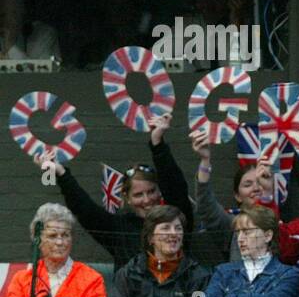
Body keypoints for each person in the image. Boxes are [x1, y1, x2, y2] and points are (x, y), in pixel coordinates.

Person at [39, 113, 192, 270]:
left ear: (160, 191)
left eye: (151, 191)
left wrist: (157, 143)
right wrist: (60, 172)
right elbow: (85, 210)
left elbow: (176, 188)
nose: (147, 200)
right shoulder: (119, 229)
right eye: (138, 194)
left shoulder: (175, 220)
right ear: (127, 198)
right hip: (131, 294)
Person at [106, 205, 212, 297]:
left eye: (178, 228)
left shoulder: (199, 277)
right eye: (165, 228)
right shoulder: (127, 274)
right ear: (150, 238)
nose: (173, 234)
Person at [202, 206, 299, 297]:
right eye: (238, 233)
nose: (240, 239)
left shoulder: (290, 274)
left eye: (247, 232)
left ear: (268, 236)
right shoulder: (222, 271)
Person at [190, 128, 277, 263]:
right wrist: (205, 160)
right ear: (237, 196)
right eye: (247, 185)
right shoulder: (231, 223)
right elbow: (206, 205)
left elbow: (267, 217)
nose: (256, 188)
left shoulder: (279, 221)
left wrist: (267, 193)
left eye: (260, 182)